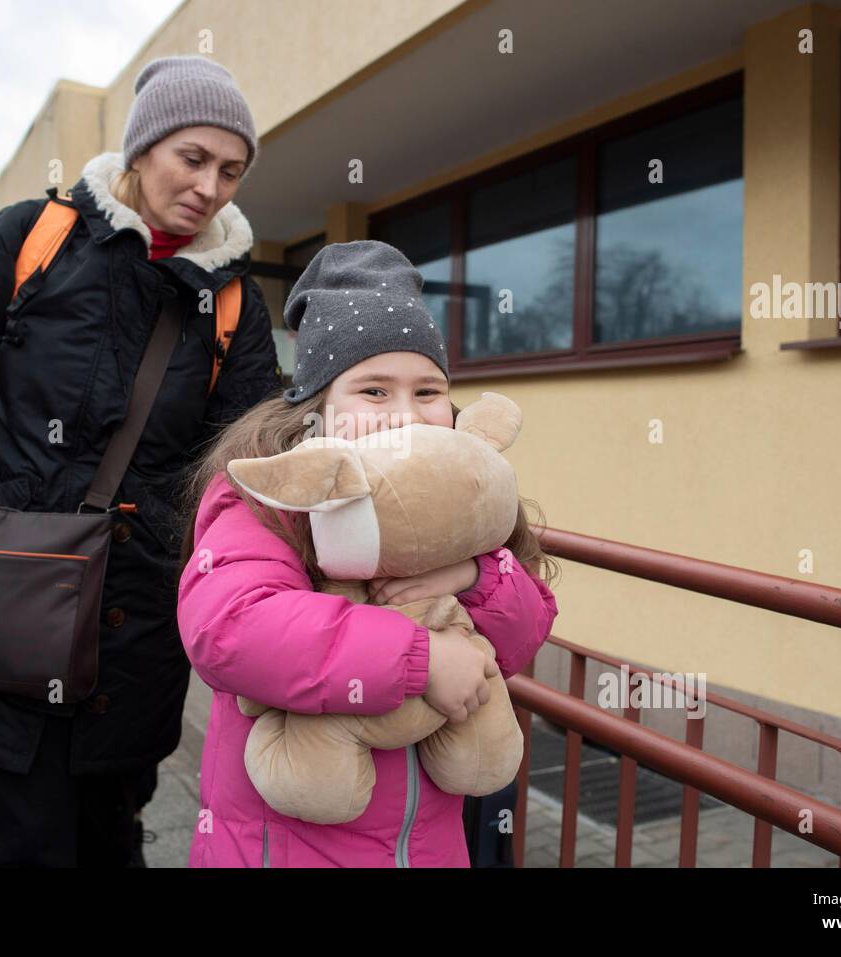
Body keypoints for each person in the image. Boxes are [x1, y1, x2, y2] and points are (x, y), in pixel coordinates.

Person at [0, 55, 281, 867]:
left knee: (113, 838)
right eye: (193, 158)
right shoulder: (27, 237)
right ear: (143, 148)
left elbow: (251, 463)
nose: (211, 186)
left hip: (136, 632)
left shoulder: (231, 301)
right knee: (22, 844)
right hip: (2, 609)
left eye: (232, 169)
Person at [176, 240, 561, 867]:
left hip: (428, 842)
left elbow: (525, 631)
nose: (407, 415)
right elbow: (230, 628)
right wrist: (418, 660)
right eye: (374, 391)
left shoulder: (460, 496)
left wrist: (474, 575)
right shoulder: (268, 497)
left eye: (429, 391)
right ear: (320, 407)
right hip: (286, 843)